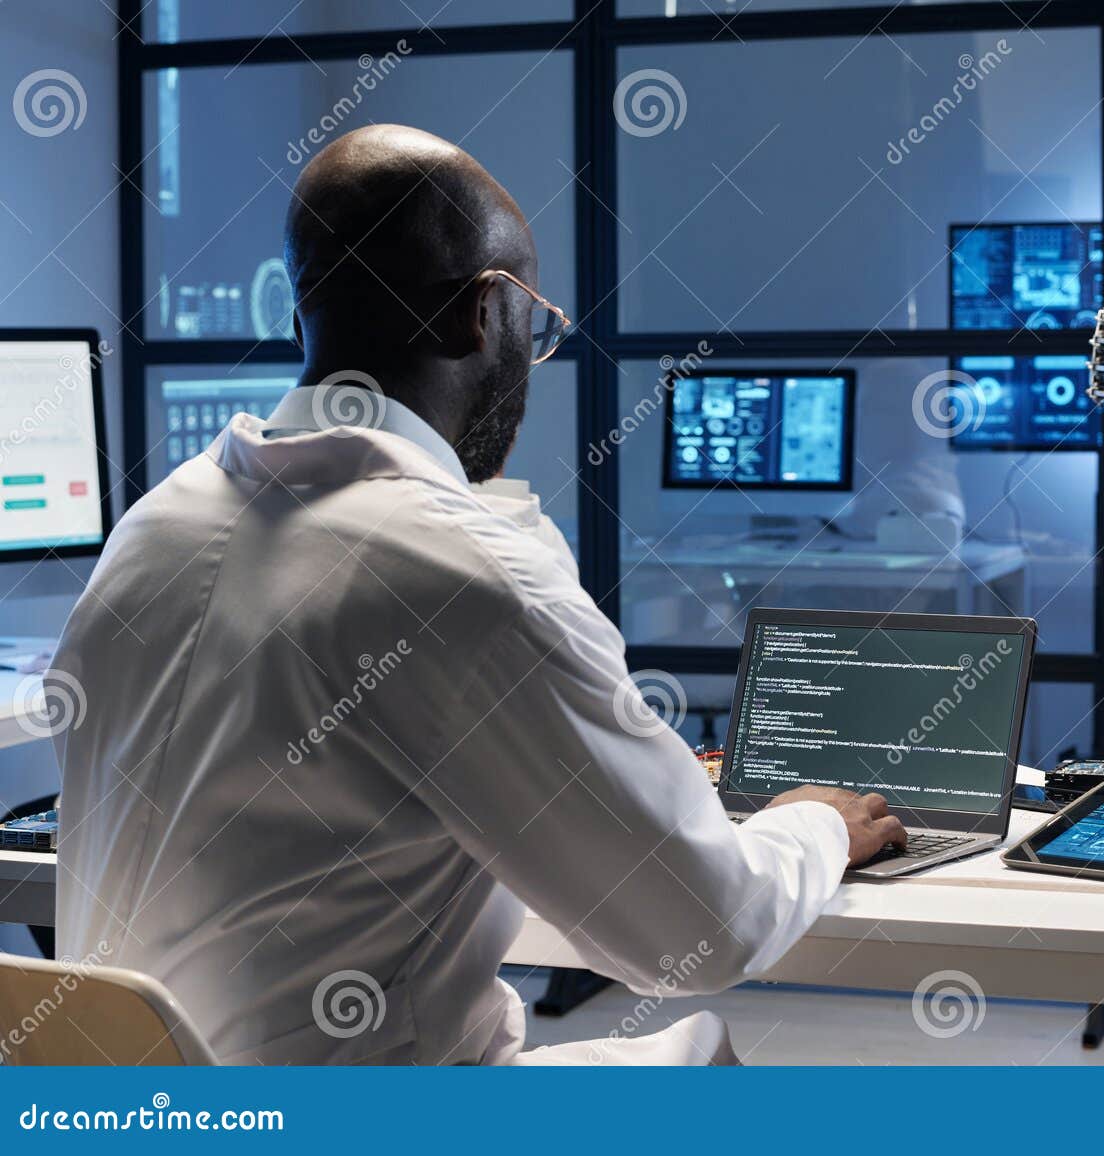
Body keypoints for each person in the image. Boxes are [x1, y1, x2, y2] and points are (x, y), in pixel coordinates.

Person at [48, 124, 904, 1066]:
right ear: (484, 312)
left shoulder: (155, 527)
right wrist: (815, 824)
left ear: (302, 324)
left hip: (122, 1104)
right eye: (536, 321)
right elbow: (704, 931)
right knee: (701, 1053)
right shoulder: (468, 575)